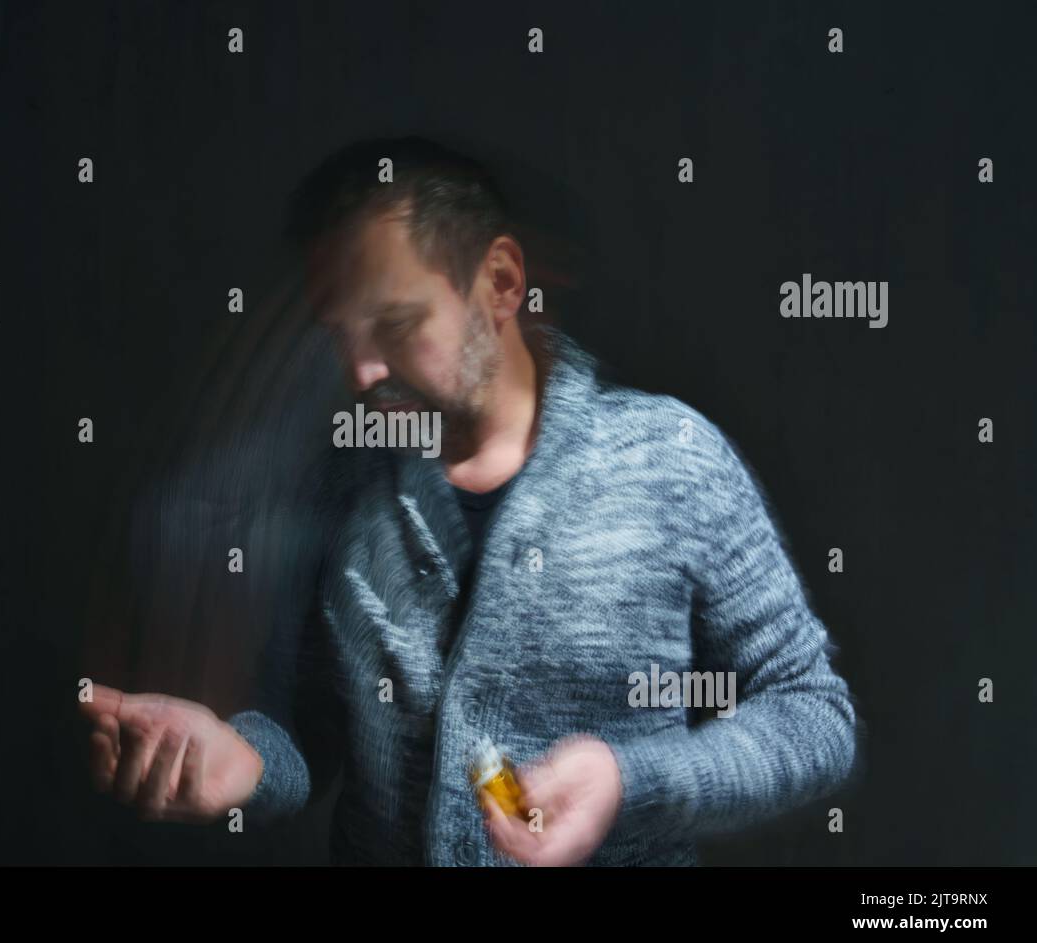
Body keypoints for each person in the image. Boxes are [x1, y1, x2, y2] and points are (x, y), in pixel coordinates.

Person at [79, 136, 859, 866]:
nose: (360, 374)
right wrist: (240, 760)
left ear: (501, 283)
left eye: (395, 324)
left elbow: (813, 715)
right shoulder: (338, 482)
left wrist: (629, 777)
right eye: (339, 336)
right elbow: (309, 739)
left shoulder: (672, 460)